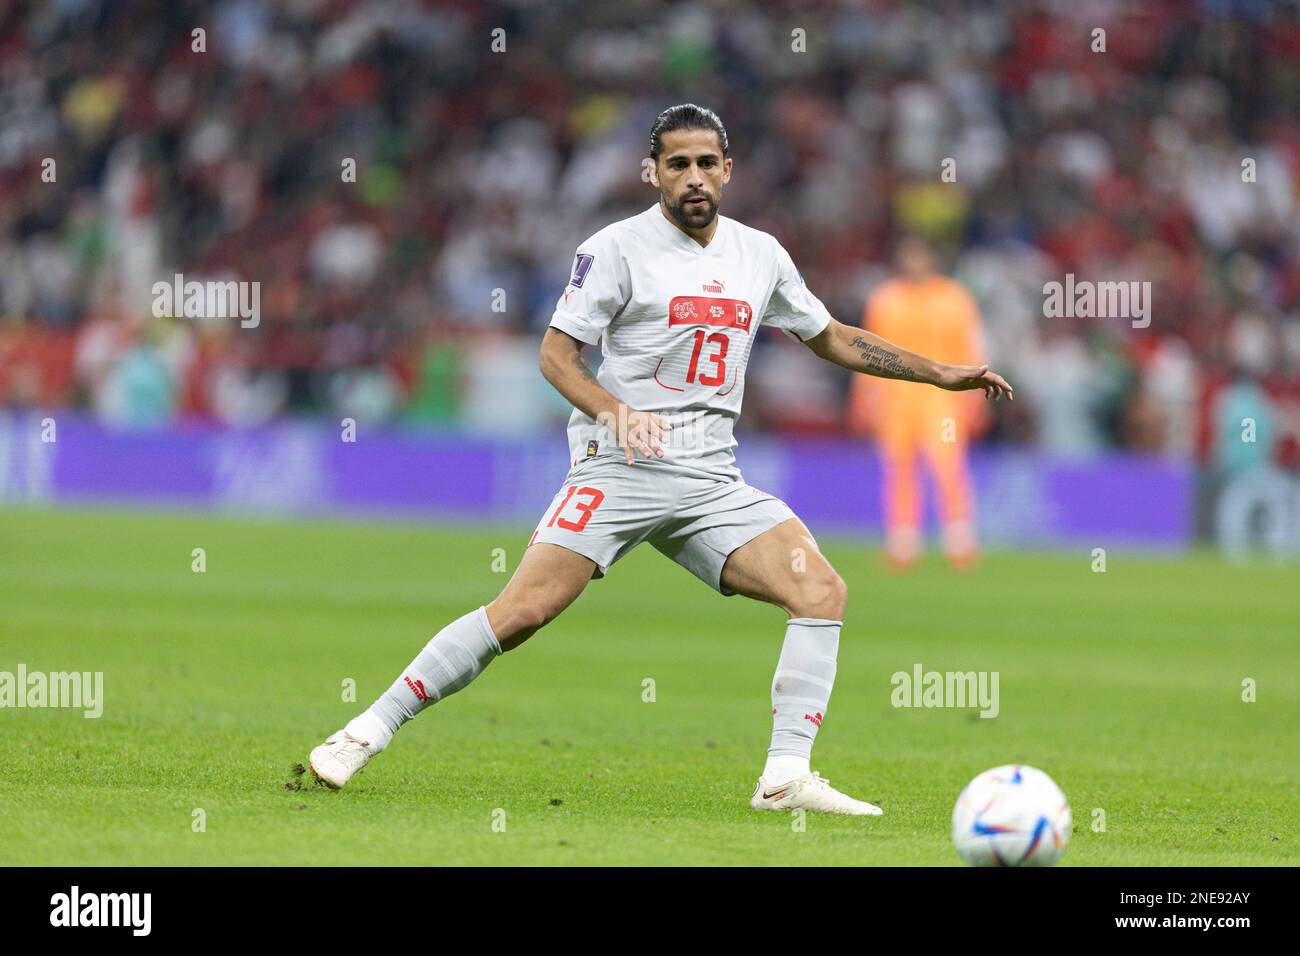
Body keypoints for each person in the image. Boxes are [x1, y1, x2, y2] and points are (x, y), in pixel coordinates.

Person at [308, 104, 1013, 815]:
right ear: (654, 174)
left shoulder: (759, 254)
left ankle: (784, 778)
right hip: (622, 467)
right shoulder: (615, 249)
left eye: (707, 163)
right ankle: (365, 731)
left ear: (728, 171)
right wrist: (614, 412)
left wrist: (938, 373)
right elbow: (556, 355)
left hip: (711, 478)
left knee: (821, 591)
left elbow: (828, 336)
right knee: (524, 611)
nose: (694, 178)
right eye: (678, 164)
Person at [849, 236, 988, 569]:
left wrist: (976, 397)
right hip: (896, 396)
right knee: (898, 466)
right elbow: (868, 352)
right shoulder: (885, 299)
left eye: (918, 256)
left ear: (931, 259)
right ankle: (903, 541)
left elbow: (968, 350)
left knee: (947, 466)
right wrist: (862, 397)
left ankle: (959, 537)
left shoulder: (954, 298)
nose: (913, 263)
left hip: (940, 395)